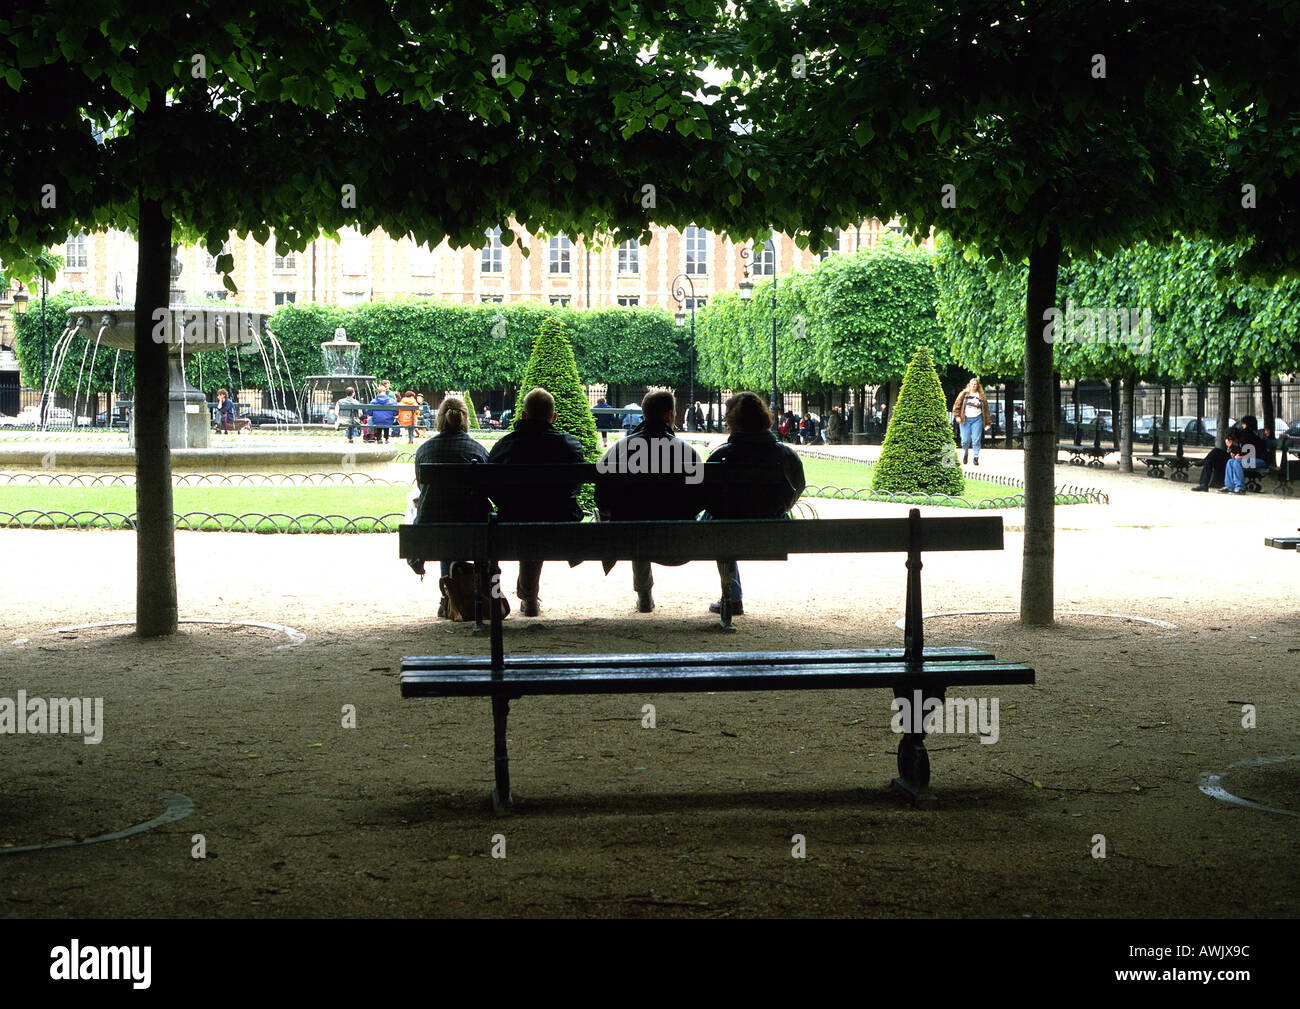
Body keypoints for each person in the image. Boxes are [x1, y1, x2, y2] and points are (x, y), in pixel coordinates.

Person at [595, 390, 704, 612]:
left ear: (644, 414)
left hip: (630, 534)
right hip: (678, 535)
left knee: (636, 514)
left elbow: (602, 497)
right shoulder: (687, 452)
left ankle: (644, 595)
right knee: (643, 513)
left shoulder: (620, 449)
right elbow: (700, 499)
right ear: (668, 416)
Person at [703, 392, 806, 616]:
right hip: (774, 531)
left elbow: (705, 497)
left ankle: (732, 597)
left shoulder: (720, 456)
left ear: (733, 422)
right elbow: (797, 489)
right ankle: (732, 597)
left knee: (715, 521)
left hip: (725, 531)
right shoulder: (787, 454)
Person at [486, 387, 586, 616]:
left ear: (523, 415)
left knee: (528, 518)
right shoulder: (569, 445)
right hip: (561, 523)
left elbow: (491, 489)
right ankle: (529, 597)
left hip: (512, 522)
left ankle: (527, 597)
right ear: (553, 418)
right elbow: (576, 486)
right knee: (541, 515)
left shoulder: (504, 445)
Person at [411, 396, 492, 616]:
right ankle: (480, 592)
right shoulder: (478, 450)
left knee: (440, 514)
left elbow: (422, 485)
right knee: (467, 514)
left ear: (440, 418)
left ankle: (450, 596)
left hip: (435, 525)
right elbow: (489, 489)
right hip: (475, 524)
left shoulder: (424, 451)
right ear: (466, 419)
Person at [1192, 415, 1272, 492]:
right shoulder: (1247, 435)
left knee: (1232, 460)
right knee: (1220, 459)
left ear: (1245, 424)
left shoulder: (1248, 436)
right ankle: (1227, 486)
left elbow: (1251, 454)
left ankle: (1240, 487)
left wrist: (1233, 449)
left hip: (1259, 460)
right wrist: (1235, 453)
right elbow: (1244, 452)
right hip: (1250, 459)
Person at [951, 377, 992, 465]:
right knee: (965, 440)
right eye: (972, 384)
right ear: (969, 385)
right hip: (965, 419)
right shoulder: (964, 394)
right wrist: (957, 416)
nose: (974, 385)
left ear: (977, 386)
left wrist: (988, 423)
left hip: (977, 419)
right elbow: (956, 405)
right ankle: (965, 453)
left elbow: (986, 410)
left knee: (976, 439)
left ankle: (976, 457)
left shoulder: (981, 396)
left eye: (975, 384)